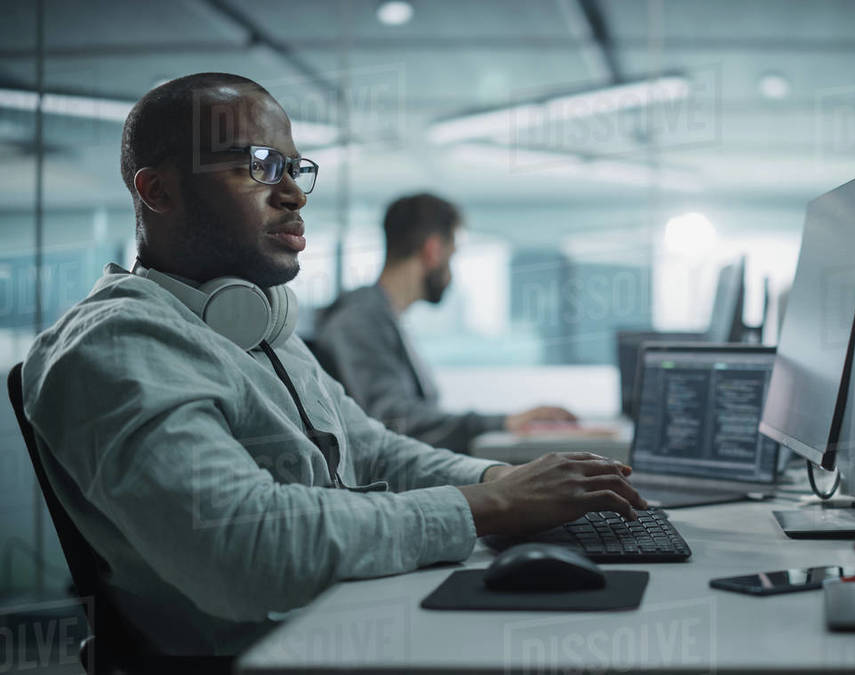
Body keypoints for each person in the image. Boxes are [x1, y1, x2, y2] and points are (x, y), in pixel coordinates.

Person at [20, 73, 646, 657]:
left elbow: (375, 452)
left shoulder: (258, 322)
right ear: (157, 190)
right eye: (259, 166)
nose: (293, 193)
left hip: (351, 618)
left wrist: (500, 478)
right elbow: (244, 547)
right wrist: (494, 507)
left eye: (295, 169)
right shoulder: (114, 346)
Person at [312, 192, 577, 453]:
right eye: (452, 255)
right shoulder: (360, 320)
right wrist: (505, 423)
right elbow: (395, 420)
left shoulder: (383, 317)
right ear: (434, 250)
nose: (451, 273)